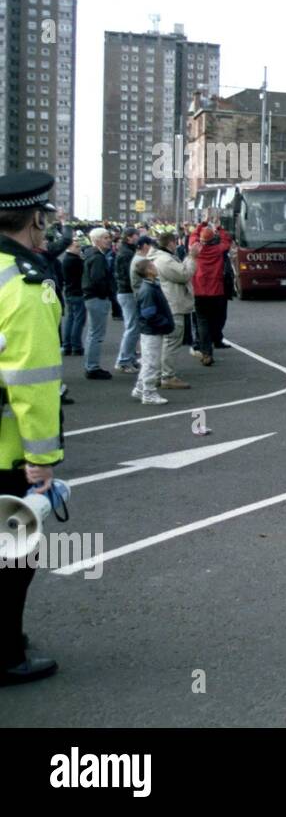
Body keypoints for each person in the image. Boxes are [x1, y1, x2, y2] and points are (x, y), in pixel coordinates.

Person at [0, 170, 65, 685]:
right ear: (36, 218)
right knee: (13, 558)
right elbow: (34, 378)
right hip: (8, 454)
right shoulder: (26, 282)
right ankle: (5, 654)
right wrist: (41, 460)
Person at [150, 229, 194, 391]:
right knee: (172, 340)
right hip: (172, 304)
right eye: (175, 242)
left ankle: (159, 374)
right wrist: (191, 257)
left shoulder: (158, 258)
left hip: (166, 303)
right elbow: (184, 274)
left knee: (165, 341)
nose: (176, 245)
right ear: (170, 243)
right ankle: (167, 376)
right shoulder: (165, 260)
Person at [130, 259, 175, 406]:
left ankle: (140, 388)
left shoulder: (150, 286)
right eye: (153, 265)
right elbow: (149, 314)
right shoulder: (148, 289)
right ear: (148, 270)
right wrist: (165, 323)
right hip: (152, 331)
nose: (156, 267)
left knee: (149, 361)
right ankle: (149, 393)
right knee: (151, 363)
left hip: (151, 331)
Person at [188, 222, 232, 366]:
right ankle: (215, 340)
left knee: (202, 321)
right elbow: (227, 241)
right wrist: (219, 228)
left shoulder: (196, 248)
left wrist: (201, 225)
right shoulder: (218, 250)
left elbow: (193, 236)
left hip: (199, 291)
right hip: (216, 291)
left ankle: (206, 352)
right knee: (216, 319)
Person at [80, 227, 114, 379]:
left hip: (92, 296)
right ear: (97, 240)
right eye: (105, 238)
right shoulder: (98, 257)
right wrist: (105, 294)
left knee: (93, 333)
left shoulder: (91, 255)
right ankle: (92, 367)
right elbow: (98, 279)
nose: (109, 240)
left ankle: (91, 364)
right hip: (97, 298)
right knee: (96, 334)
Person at [113, 226, 141, 375]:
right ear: (130, 237)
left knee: (133, 327)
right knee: (132, 327)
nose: (138, 238)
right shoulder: (126, 254)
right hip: (127, 292)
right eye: (136, 235)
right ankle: (123, 360)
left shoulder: (126, 252)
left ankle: (128, 358)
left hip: (126, 292)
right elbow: (128, 275)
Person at [59, 236, 86, 356]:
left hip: (69, 291)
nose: (79, 249)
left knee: (70, 319)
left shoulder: (66, 259)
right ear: (69, 247)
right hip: (78, 292)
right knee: (78, 320)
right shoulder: (75, 260)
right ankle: (76, 346)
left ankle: (67, 345)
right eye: (77, 246)